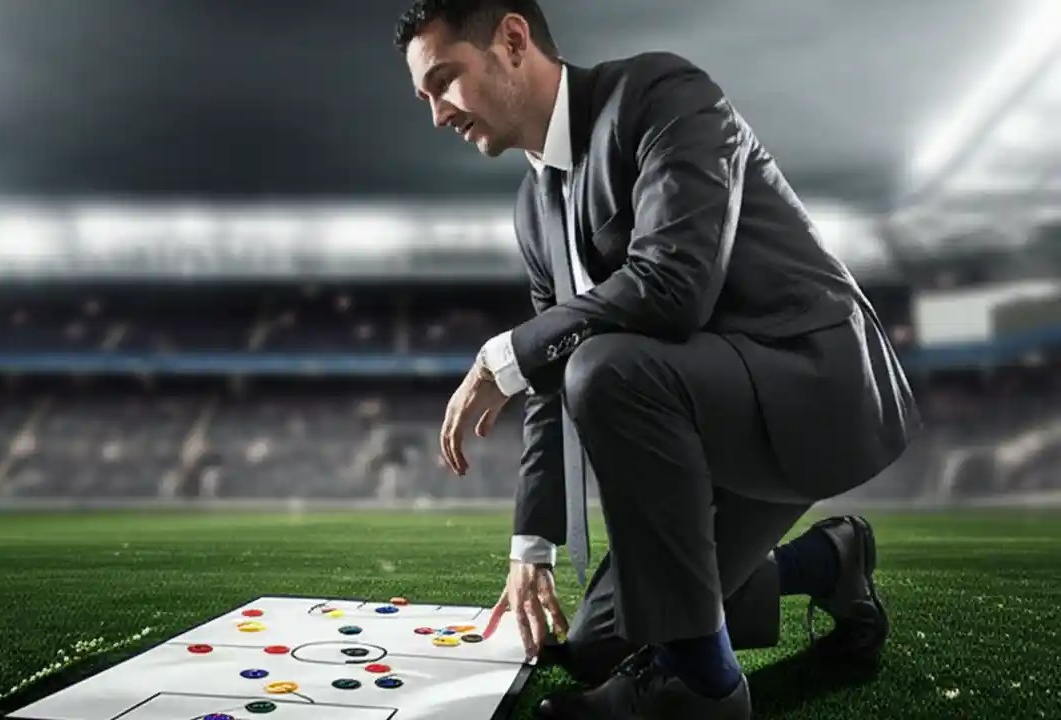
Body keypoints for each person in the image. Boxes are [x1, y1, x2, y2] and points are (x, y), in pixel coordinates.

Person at [394, 2, 922, 719]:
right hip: (701, 412)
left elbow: (673, 285)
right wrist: (532, 546)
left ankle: (702, 687)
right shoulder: (533, 204)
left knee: (605, 369)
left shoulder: (662, 96)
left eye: (445, 81)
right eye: (424, 97)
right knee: (591, 643)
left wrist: (504, 354)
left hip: (806, 383)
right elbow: (548, 373)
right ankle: (830, 562)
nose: (437, 114)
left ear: (513, 41)